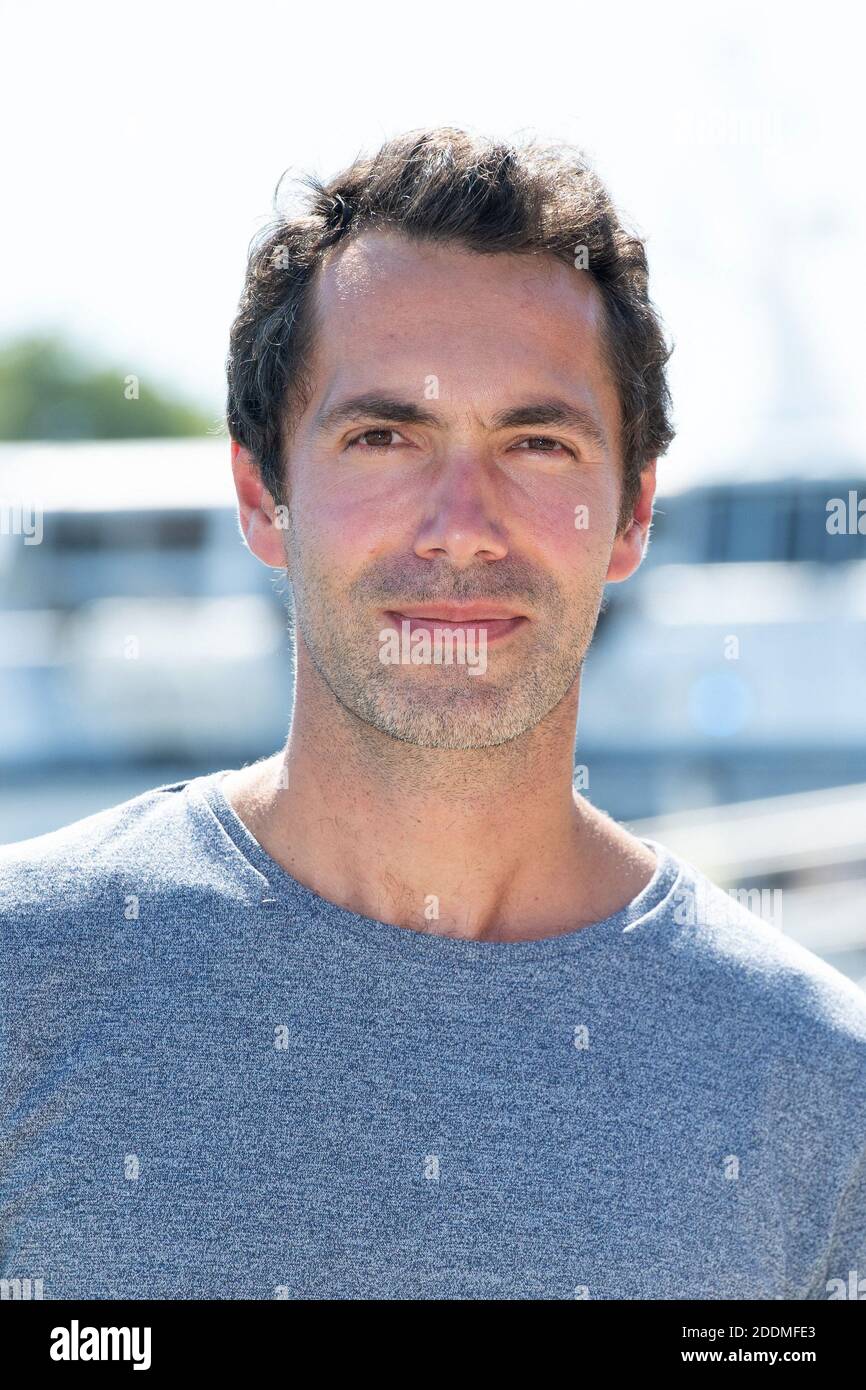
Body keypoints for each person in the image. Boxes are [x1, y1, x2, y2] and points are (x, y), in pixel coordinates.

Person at [2, 127, 865, 1301]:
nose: (460, 523)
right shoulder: (26, 977)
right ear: (263, 494)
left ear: (628, 516)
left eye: (536, 442)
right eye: (384, 435)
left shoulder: (818, 1085)